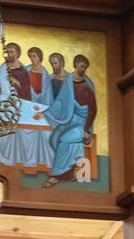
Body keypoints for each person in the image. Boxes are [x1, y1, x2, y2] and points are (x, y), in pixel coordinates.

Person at [42, 55, 97, 187]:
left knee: (64, 141)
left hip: (82, 122)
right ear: (75, 65)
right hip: (69, 118)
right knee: (54, 138)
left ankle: (56, 176)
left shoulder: (87, 85)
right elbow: (61, 101)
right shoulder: (68, 82)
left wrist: (86, 130)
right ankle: (75, 167)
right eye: (81, 66)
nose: (83, 69)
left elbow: (92, 109)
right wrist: (49, 112)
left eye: (85, 67)